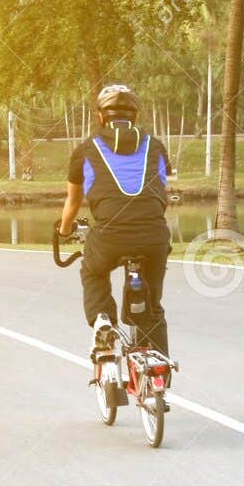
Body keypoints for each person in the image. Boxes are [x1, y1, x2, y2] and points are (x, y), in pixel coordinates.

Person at [57, 84, 172, 359]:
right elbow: (162, 192)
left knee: (93, 271)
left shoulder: (85, 150)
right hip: (154, 237)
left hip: (109, 238)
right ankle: (157, 375)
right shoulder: (155, 146)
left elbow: (73, 202)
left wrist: (63, 231)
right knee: (152, 306)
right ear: (134, 116)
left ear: (100, 117)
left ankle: (102, 320)